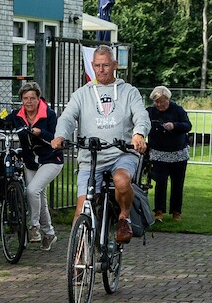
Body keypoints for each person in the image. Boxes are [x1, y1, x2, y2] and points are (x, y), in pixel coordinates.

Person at [50, 45, 149, 245]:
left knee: (121, 181)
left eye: (105, 65)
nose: (101, 70)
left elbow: (141, 116)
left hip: (121, 154)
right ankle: (78, 258)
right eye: (97, 65)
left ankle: (124, 217)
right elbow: (68, 117)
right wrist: (60, 135)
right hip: (91, 157)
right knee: (81, 208)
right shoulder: (82, 93)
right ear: (92, 66)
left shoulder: (129, 91)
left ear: (115, 65)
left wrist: (139, 134)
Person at [0, 81, 65, 250]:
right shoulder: (17, 115)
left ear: (38, 99)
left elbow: (56, 137)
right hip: (31, 161)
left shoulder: (49, 115)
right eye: (25, 98)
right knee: (37, 196)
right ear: (21, 99)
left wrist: (40, 132)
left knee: (32, 190)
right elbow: (0, 124)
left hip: (50, 159)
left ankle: (34, 227)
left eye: (32, 98)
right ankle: (49, 234)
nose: (29, 102)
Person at [146, 86, 192, 222]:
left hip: (178, 154)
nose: (159, 104)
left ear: (168, 99)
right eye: (156, 102)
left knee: (177, 184)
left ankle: (176, 212)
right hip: (158, 153)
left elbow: (187, 125)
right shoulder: (150, 112)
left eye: (162, 101)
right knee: (160, 183)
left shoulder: (178, 110)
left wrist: (174, 125)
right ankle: (159, 212)